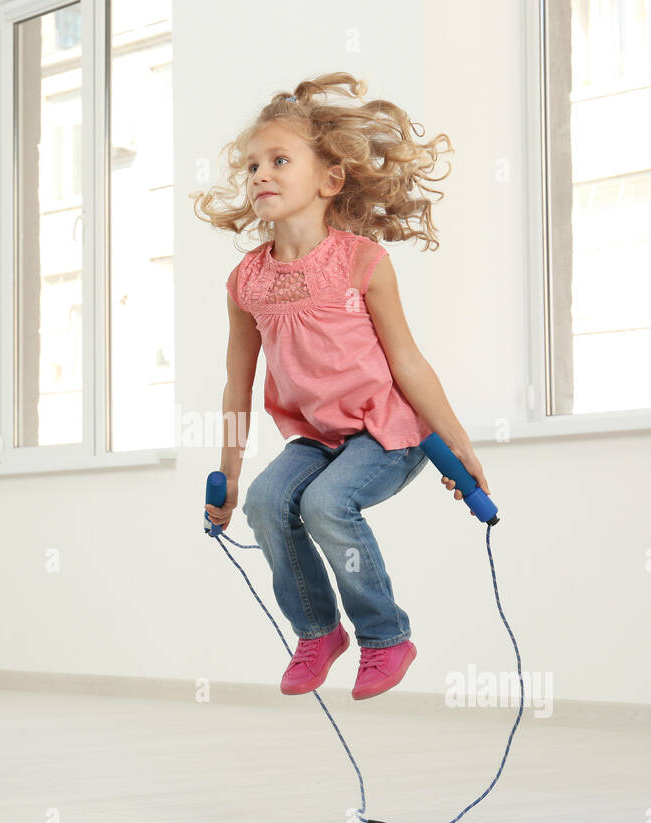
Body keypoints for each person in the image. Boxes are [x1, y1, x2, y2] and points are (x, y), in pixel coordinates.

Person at [190, 72, 491, 701]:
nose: (260, 175)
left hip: (388, 430)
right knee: (269, 503)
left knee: (327, 505)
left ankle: (386, 637)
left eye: (278, 160)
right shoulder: (246, 282)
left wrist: (457, 443)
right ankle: (318, 631)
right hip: (316, 437)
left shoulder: (361, 261)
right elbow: (236, 384)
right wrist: (229, 473)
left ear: (329, 180)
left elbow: (408, 361)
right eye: (251, 166)